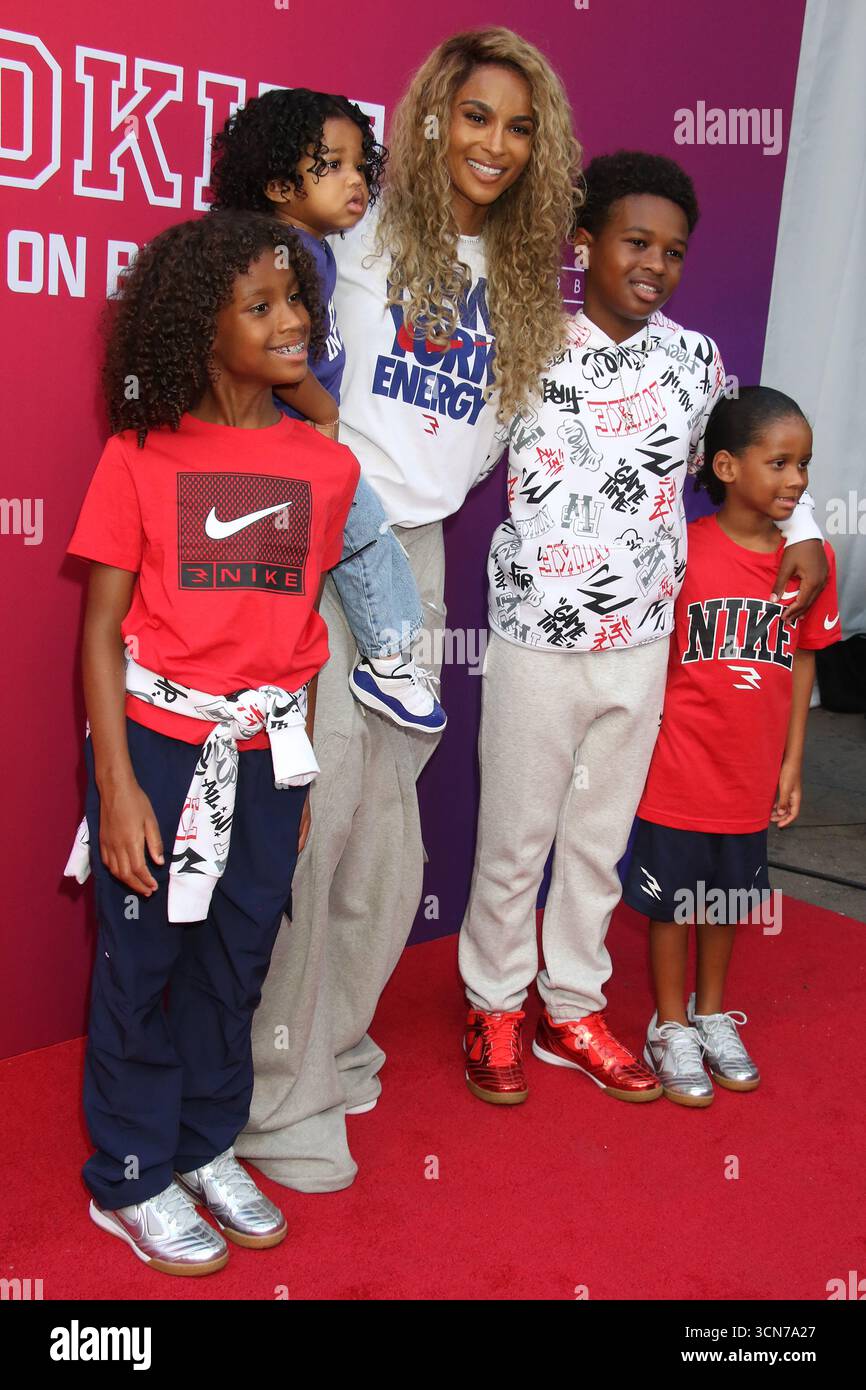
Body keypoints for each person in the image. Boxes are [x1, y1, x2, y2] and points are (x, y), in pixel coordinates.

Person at [235, 28, 582, 1191]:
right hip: (314, 535)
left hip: (416, 558)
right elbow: (259, 332)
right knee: (313, 818)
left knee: (385, 835)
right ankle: (274, 1098)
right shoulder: (364, 229)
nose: (493, 142)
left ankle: (328, 1044)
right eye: (474, 114)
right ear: (431, 119)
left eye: (518, 125)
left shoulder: (526, 284)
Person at [458, 151, 829, 1105]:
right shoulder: (528, 342)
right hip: (537, 639)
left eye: (673, 250)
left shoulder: (695, 359)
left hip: (642, 644)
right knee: (515, 840)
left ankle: (571, 1006)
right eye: (635, 242)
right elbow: (445, 451)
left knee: (596, 841)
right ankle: (495, 1003)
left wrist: (814, 528)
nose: (655, 263)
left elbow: (759, 444)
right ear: (585, 244)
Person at [63, 210, 359, 1272]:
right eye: (265, 307)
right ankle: (131, 1174)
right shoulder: (138, 454)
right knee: (142, 962)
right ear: (202, 326)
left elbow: (304, 629)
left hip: (268, 757)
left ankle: (203, 1142)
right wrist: (116, 784)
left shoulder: (322, 468)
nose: (294, 324)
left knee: (236, 964)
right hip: (156, 752)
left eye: (299, 305)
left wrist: (305, 766)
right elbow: (100, 631)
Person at [620, 387, 840, 1104]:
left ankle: (712, 1012)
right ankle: (671, 1023)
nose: (797, 480)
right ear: (725, 465)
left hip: (750, 774)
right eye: (779, 462)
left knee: (725, 902)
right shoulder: (684, 551)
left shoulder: (811, 564)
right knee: (672, 904)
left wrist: (792, 761)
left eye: (804, 464)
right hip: (680, 766)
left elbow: (805, 657)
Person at [209, 87, 444, 733]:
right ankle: (389, 659)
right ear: (282, 184)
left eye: (359, 166)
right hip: (288, 439)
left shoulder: (307, 247)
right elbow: (278, 360)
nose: (355, 182)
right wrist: (324, 420)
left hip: (288, 444)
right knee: (365, 533)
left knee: (301, 580)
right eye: (331, 166)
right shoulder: (284, 252)